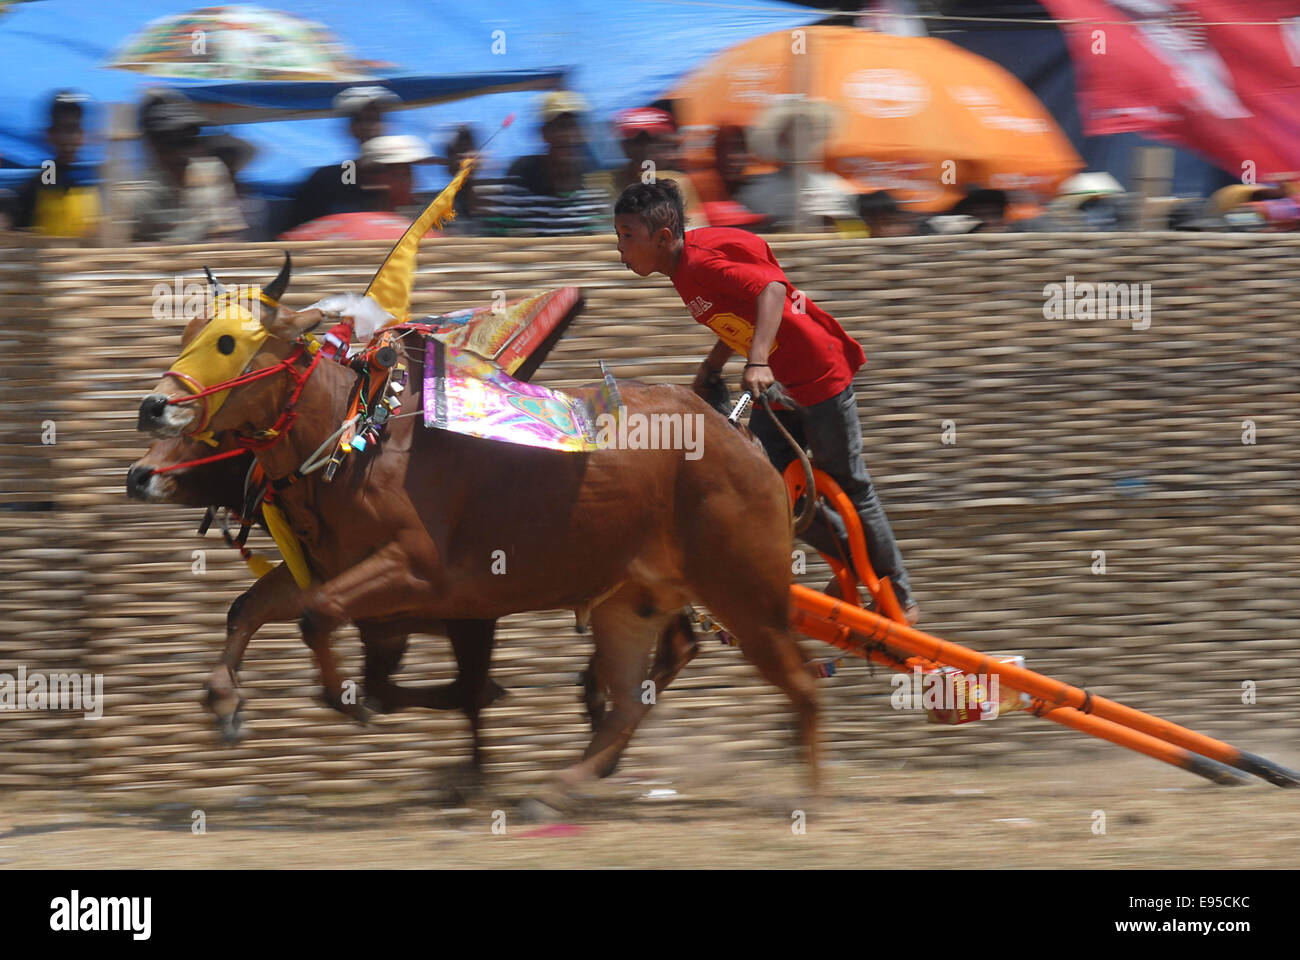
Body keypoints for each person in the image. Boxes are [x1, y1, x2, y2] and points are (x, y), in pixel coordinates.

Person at [613, 179, 918, 624]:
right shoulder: (681, 270)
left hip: (816, 374)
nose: (619, 249)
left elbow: (770, 290)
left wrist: (757, 363)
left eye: (626, 236)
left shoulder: (699, 264)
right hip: (777, 387)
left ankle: (900, 596)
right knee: (774, 491)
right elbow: (734, 316)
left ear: (662, 237)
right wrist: (712, 366)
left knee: (849, 486)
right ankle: (856, 564)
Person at [473, 91, 613, 236]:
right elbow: (498, 237)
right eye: (562, 126)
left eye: (576, 127)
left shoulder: (595, 189)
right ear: (544, 133)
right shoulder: (521, 179)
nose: (570, 135)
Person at [126, 92, 245, 243]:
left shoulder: (211, 175)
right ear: (152, 145)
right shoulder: (136, 193)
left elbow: (227, 235)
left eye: (189, 139)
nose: (183, 152)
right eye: (171, 141)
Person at [281, 85, 399, 232]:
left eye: (376, 118)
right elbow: (296, 231)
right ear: (349, 128)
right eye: (360, 120)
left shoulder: (401, 176)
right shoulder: (327, 180)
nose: (369, 127)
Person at [734, 97, 859, 232]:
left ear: (815, 137)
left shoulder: (837, 189)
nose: (798, 138)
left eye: (806, 130)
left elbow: (853, 234)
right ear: (781, 138)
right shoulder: (755, 193)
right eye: (791, 131)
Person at [9, 90, 101, 238]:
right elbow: (19, 235)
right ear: (50, 134)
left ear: (82, 134)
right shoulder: (38, 184)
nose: (66, 138)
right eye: (60, 129)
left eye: (72, 129)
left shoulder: (92, 180)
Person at [612, 106, 703, 228]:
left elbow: (694, 230)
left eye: (651, 141)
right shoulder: (609, 181)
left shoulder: (677, 184)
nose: (643, 150)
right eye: (636, 141)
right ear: (624, 145)